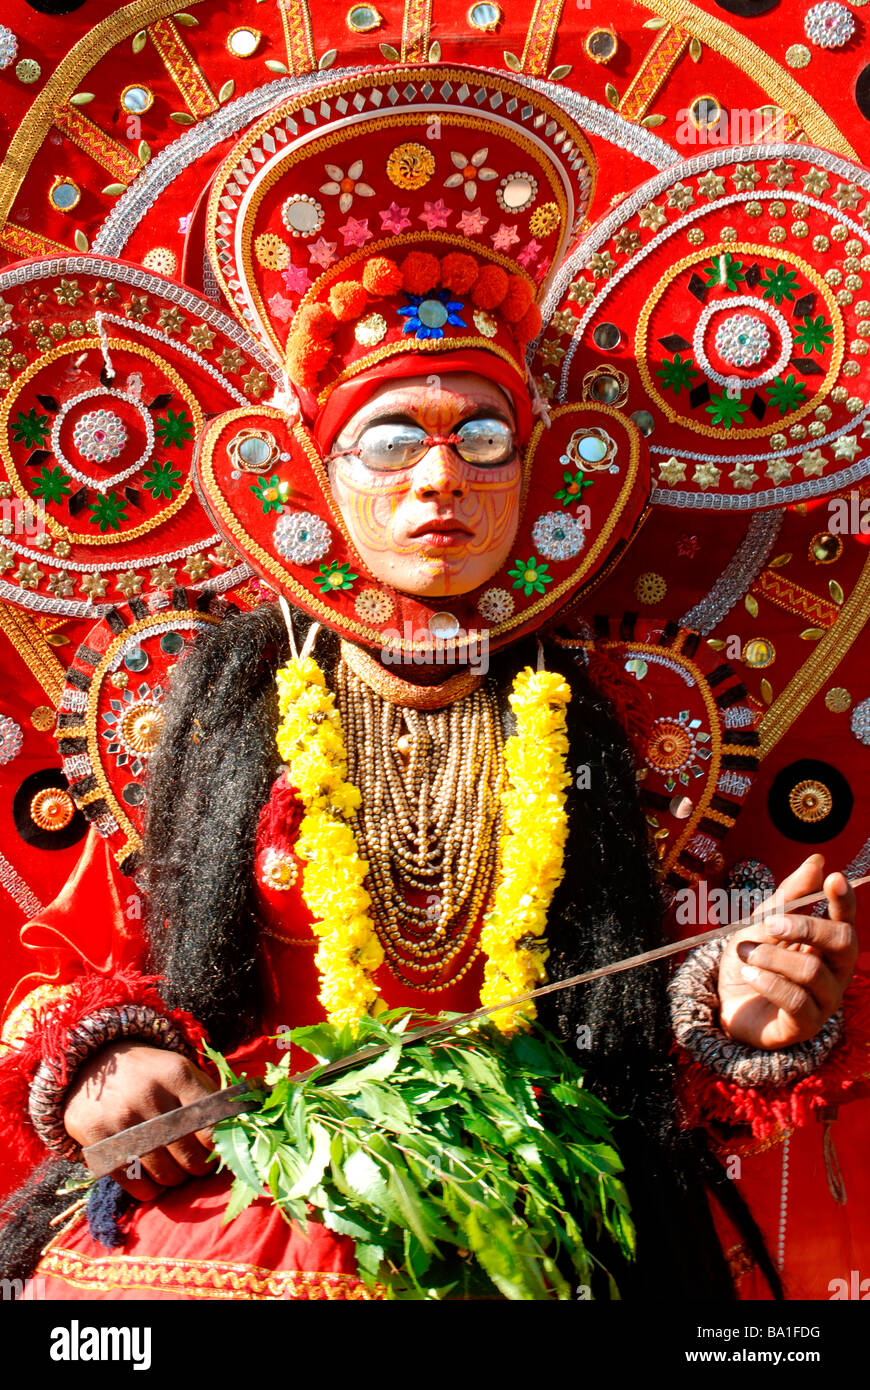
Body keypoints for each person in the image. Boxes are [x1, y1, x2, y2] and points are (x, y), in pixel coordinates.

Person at [0, 59, 867, 1302]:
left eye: (485, 441)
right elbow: (73, 959)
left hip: (521, 1189)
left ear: (545, 483)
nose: (440, 479)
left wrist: (737, 1005)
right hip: (254, 1172)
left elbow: (626, 1060)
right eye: (395, 438)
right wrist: (108, 1066)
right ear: (308, 478)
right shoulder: (223, 703)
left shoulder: (594, 723)